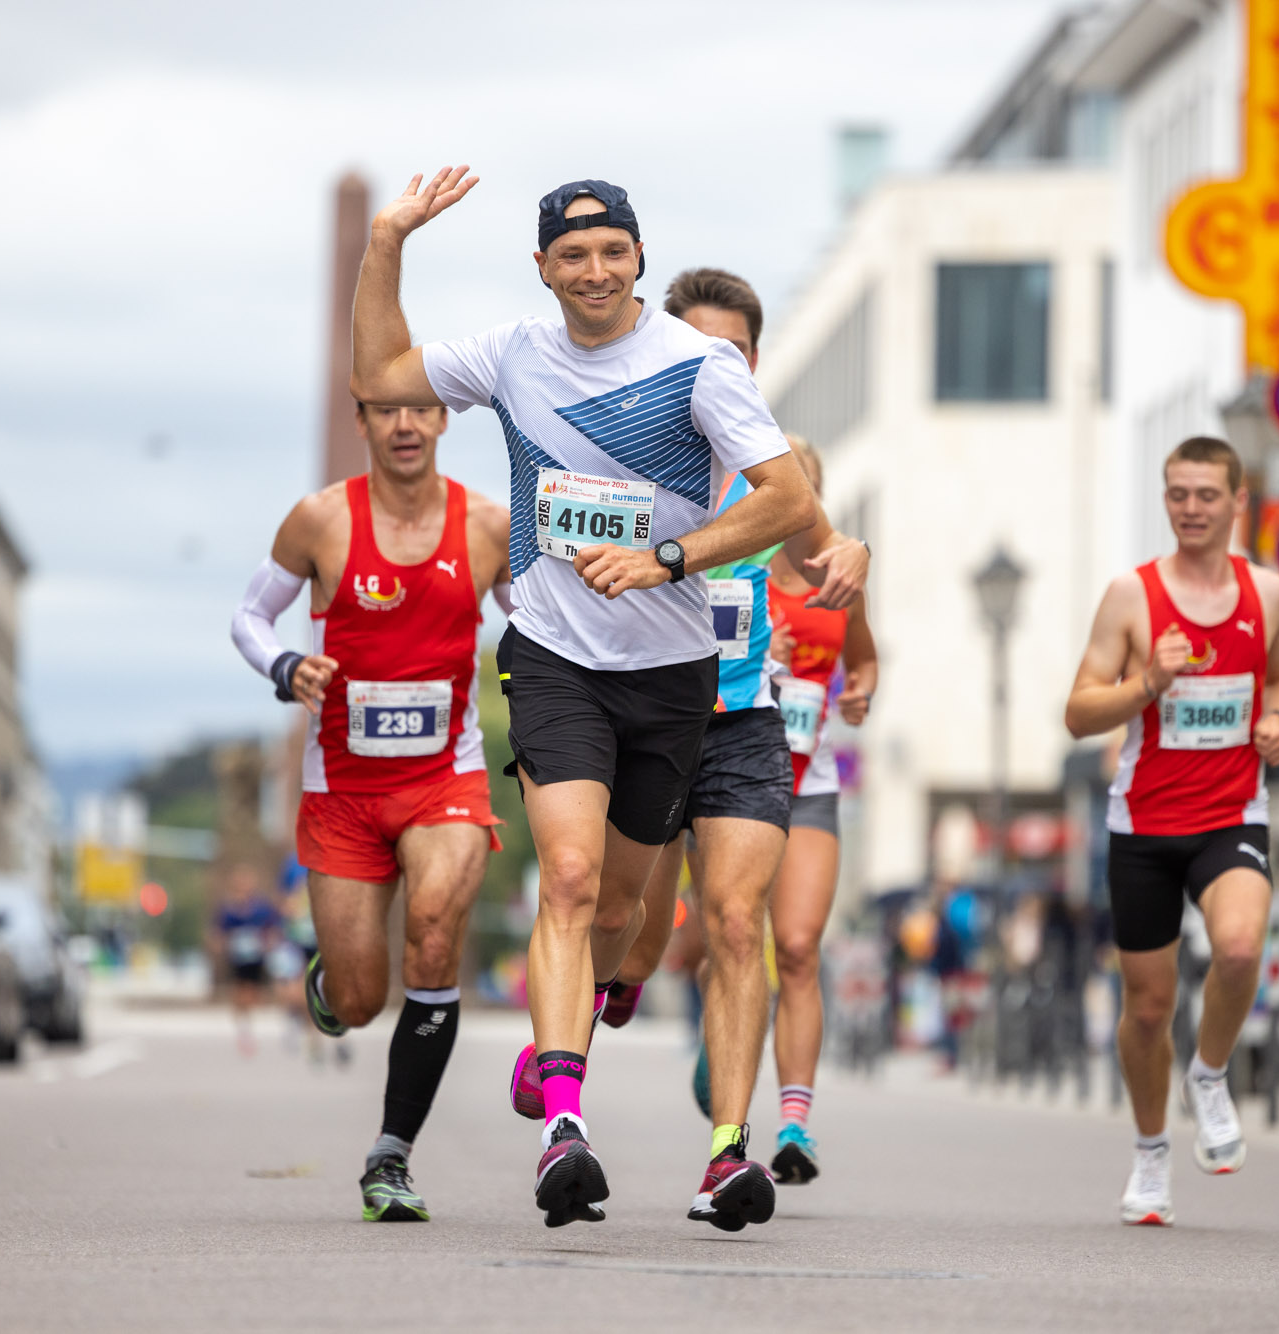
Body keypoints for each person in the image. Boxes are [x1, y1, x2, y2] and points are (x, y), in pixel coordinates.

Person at [349, 171, 828, 1229]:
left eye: (612, 251)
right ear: (543, 268)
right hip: (555, 656)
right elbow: (379, 371)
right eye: (572, 255)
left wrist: (671, 557)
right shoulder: (514, 353)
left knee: (618, 907)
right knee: (566, 878)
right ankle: (564, 1127)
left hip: (672, 674)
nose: (594, 271)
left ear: (639, 258)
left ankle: (621, 1093)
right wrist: (387, 241)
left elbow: (788, 498)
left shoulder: (697, 364)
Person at [511, 271, 870, 1230]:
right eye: (703, 348)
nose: (719, 365)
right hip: (647, 712)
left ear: (753, 360)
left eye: (737, 352)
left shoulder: (771, 470)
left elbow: (828, 552)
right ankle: (574, 1030)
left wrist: (852, 559)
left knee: (739, 920)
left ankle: (727, 1153)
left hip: (742, 723)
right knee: (629, 925)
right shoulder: (628, 452)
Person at [232, 395, 511, 1223]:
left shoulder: (487, 527)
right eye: (386, 411)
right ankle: (330, 983)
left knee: (434, 934)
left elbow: (540, 629)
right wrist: (286, 666)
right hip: (343, 792)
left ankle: (392, 1155)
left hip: (446, 779)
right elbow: (250, 615)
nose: (404, 426)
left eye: (420, 409)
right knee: (359, 1001)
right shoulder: (320, 521)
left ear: (444, 419)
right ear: (362, 424)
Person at [1064, 435, 1279, 1227]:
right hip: (1144, 824)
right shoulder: (1130, 596)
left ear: (1238, 500)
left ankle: (1210, 1072)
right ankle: (1151, 1153)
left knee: (1238, 947)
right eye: (1177, 494)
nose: (1191, 509)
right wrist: (1149, 681)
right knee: (1147, 1008)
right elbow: (1078, 713)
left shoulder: (1270, 593)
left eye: (1206, 495)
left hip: (1233, 813)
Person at [762, 435, 877, 1183]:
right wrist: (755, 656)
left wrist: (860, 691)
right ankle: (720, 1053)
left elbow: (863, 656)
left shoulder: (840, 578)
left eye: (804, 486)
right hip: (729, 780)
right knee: (729, 943)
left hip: (811, 782)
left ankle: (795, 1125)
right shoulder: (732, 572)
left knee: (799, 947)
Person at [211, 865, 284, 1058]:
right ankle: (243, 1029)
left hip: (256, 956)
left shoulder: (261, 907)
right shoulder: (228, 908)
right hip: (237, 956)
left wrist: (270, 942)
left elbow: (273, 926)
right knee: (239, 991)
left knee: (253, 992)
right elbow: (219, 930)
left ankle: (248, 1022)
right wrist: (219, 944)